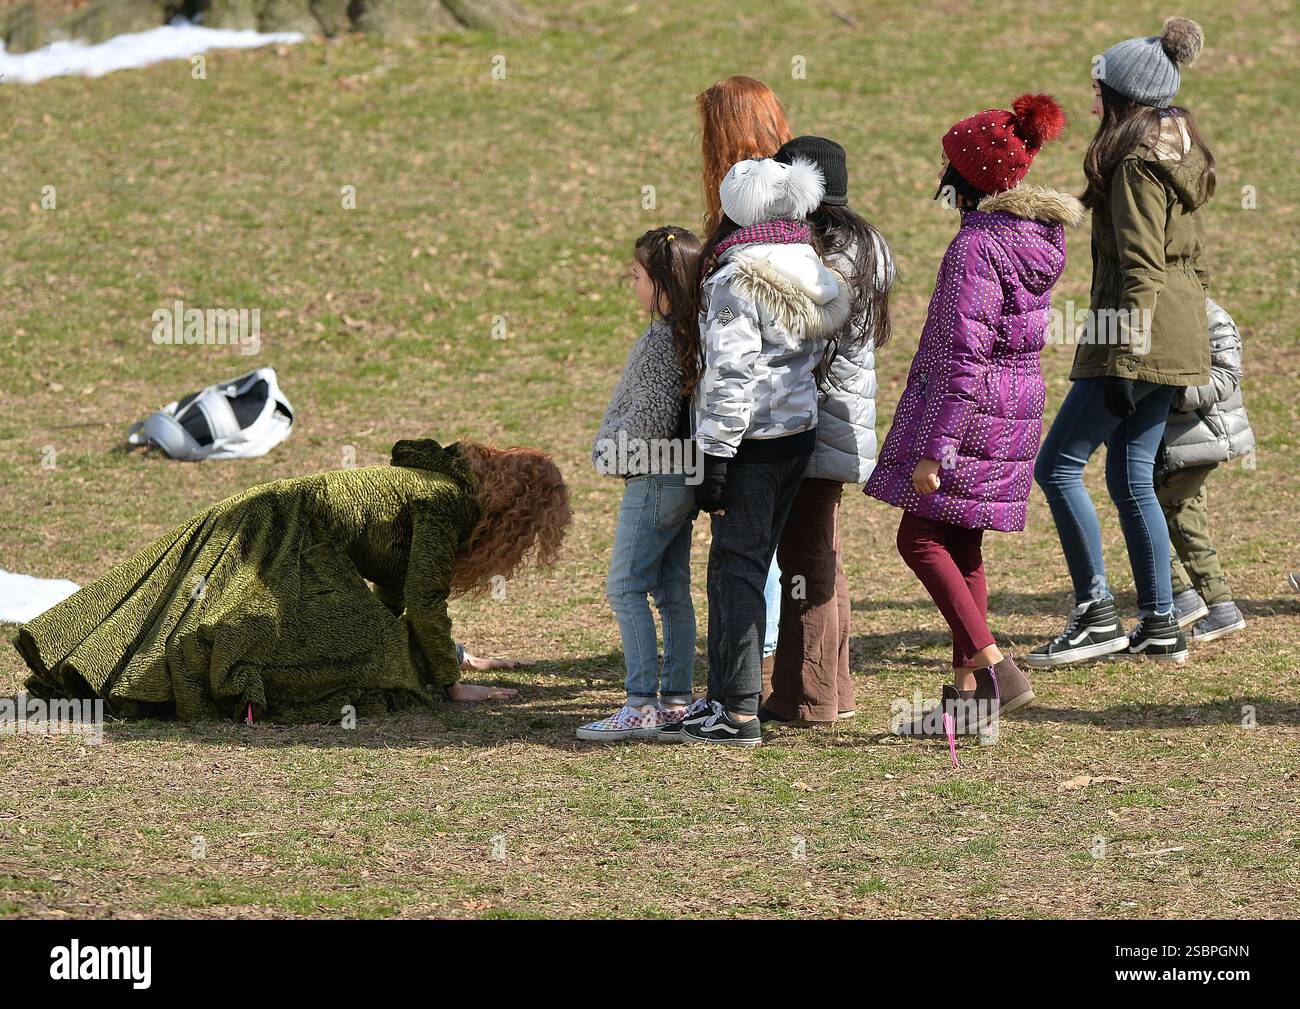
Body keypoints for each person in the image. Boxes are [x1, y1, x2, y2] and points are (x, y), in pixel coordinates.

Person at [15, 440, 570, 721]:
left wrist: (450, 652)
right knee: (367, 659)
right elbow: (423, 600)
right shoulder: (445, 503)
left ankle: (111, 678)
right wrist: (451, 682)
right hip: (286, 532)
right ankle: (211, 689)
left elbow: (398, 594)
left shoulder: (434, 486)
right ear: (515, 513)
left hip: (273, 514)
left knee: (370, 642)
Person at [864, 94, 1078, 740]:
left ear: (963, 178)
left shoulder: (975, 249)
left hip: (974, 411)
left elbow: (964, 356)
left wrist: (937, 449)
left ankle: (994, 668)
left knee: (918, 539)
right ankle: (966, 703)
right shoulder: (1035, 237)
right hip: (1014, 405)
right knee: (961, 543)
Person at [1030, 17, 1214, 668]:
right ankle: (1162, 622)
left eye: (1098, 91)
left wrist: (1125, 356)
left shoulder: (1136, 163)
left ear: (1123, 99)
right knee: (1131, 476)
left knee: (1055, 466)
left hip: (1137, 335)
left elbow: (1140, 266)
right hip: (1177, 331)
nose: (1090, 103)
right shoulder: (1172, 149)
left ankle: (1096, 613)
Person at [671, 155, 848, 746]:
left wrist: (713, 459)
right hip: (798, 435)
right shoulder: (810, 263)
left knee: (735, 569)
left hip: (747, 444)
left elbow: (729, 374)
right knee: (754, 562)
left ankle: (735, 707)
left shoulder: (736, 277)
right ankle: (730, 696)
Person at [758, 135, 894, 727]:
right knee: (822, 555)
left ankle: (804, 695)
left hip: (815, 422)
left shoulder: (821, 255)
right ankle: (833, 686)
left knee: (805, 559)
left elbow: (802, 339)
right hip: (844, 421)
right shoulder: (865, 244)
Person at [578, 226, 704, 741]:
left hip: (655, 477)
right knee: (670, 586)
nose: (631, 285)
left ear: (662, 284)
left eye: (636, 276)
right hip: (687, 476)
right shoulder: (696, 330)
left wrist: (607, 451)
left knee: (626, 586)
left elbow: (649, 420)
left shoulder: (660, 338)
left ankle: (639, 703)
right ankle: (675, 700)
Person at [697, 75, 795, 696]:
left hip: (754, 425)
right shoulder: (792, 212)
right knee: (782, 545)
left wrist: (714, 452)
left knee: (743, 550)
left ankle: (739, 691)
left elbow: (735, 363)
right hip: (801, 417)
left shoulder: (742, 237)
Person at [1158, 298, 1254, 642]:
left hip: (1198, 440)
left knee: (1164, 519)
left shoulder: (1209, 315)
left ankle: (1196, 601)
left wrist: (1171, 392)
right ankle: (1205, 602)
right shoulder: (1149, 311)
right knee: (1178, 521)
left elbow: (1226, 375)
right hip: (1172, 444)